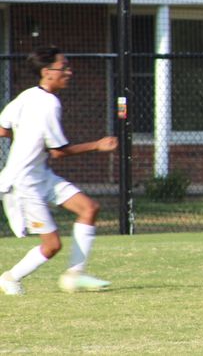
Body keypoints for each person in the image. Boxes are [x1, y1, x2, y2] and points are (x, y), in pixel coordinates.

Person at [0, 46, 118, 295]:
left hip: (41, 175)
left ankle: (75, 275)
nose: (69, 72)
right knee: (52, 245)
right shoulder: (48, 103)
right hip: (23, 183)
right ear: (47, 72)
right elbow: (59, 151)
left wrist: (27, 140)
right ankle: (10, 278)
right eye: (63, 67)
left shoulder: (26, 96)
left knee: (89, 208)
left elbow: (2, 128)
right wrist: (97, 145)